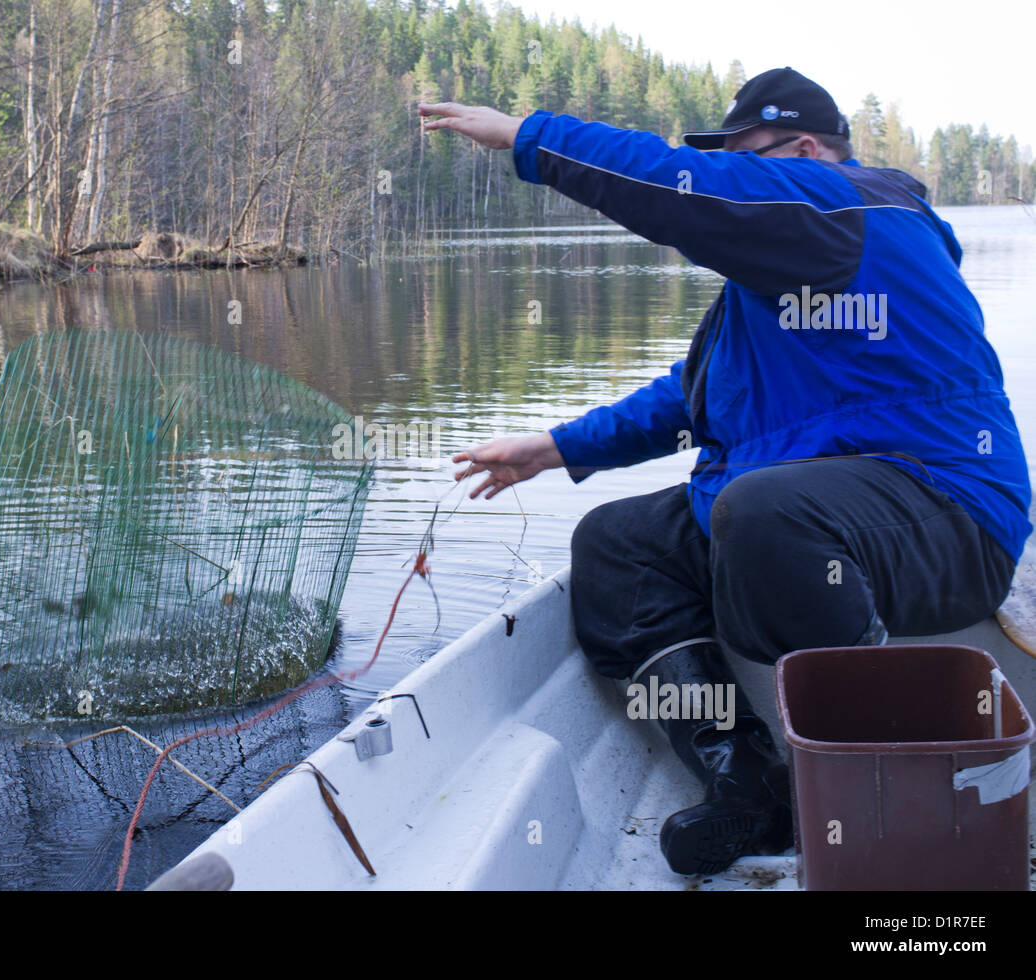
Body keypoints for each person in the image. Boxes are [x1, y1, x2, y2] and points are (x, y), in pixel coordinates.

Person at [419, 67, 1030, 876]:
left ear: (807, 151)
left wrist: (529, 137)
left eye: (753, 161)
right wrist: (558, 447)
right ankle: (748, 778)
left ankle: (879, 795)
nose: (743, 183)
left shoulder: (854, 210)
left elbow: (687, 190)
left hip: (947, 519)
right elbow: (695, 395)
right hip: (810, 515)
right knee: (617, 542)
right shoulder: (774, 286)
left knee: (766, 511)